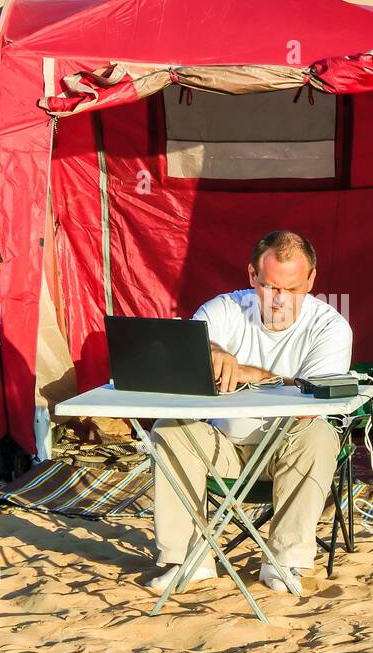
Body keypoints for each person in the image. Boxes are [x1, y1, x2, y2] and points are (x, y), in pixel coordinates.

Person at [148, 229, 352, 596]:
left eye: (292, 290)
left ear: (311, 281)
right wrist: (210, 352)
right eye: (271, 287)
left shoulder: (330, 327)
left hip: (284, 448)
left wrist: (254, 375)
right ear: (252, 277)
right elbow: (195, 341)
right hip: (221, 446)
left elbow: (316, 401)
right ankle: (188, 560)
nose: (280, 301)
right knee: (169, 428)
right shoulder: (225, 308)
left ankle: (285, 561)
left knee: (320, 435)